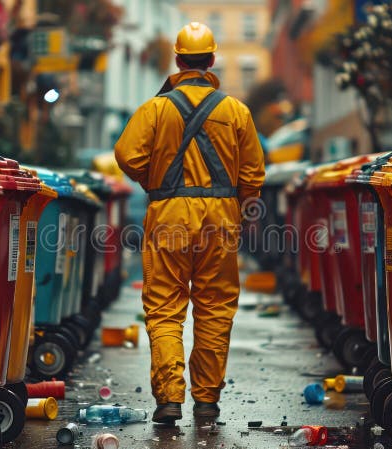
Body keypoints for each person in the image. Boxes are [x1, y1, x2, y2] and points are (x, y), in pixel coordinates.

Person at [114, 22, 265, 423]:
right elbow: (252, 175)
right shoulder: (235, 111)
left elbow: (127, 154)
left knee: (164, 307)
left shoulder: (156, 108)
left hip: (168, 215)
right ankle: (207, 400)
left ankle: (169, 399)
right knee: (215, 307)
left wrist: (155, 181)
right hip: (220, 219)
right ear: (212, 60)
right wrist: (241, 208)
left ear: (178, 60)